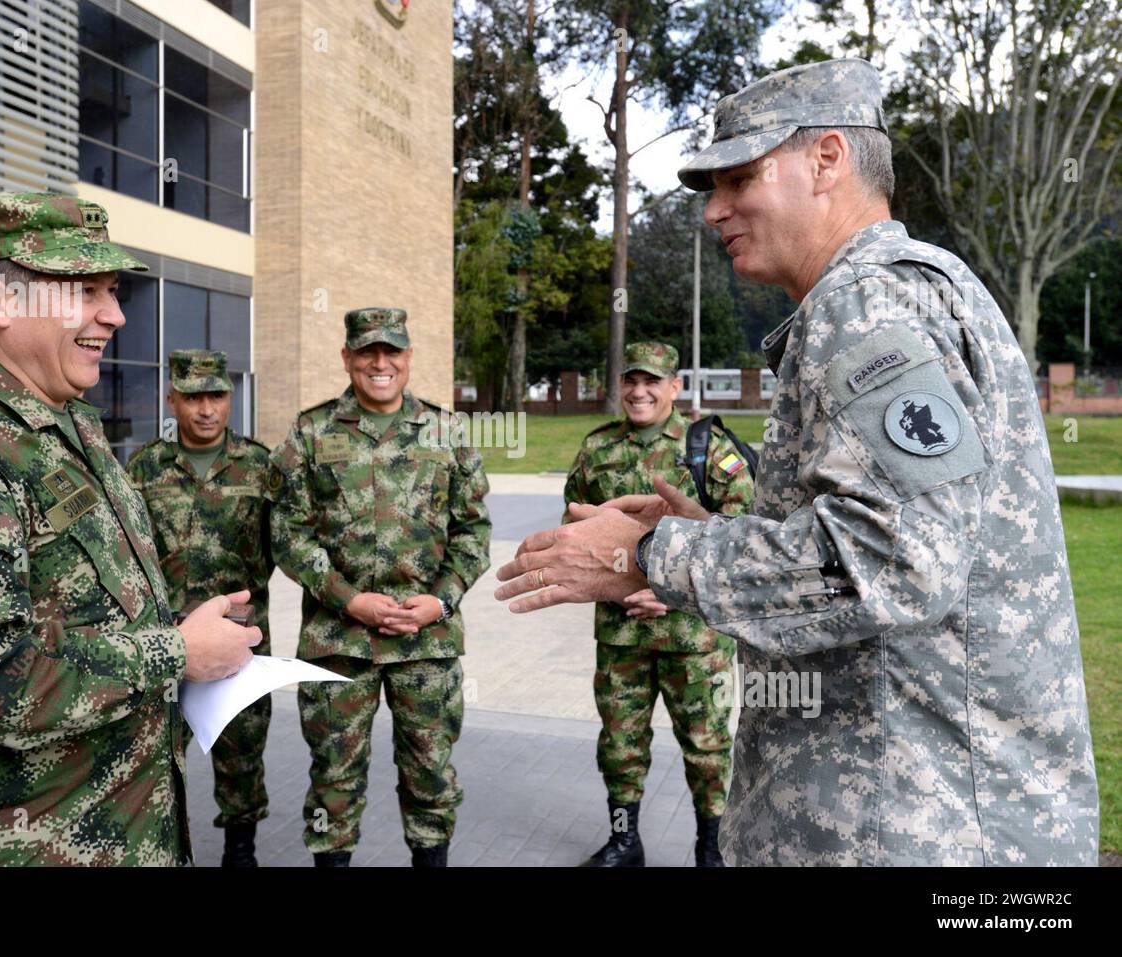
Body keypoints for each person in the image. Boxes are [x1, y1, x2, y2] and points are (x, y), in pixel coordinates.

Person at [492, 59, 1099, 866]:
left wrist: (643, 554)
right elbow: (895, 537)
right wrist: (711, 534)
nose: (714, 210)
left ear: (827, 159)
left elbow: (894, 561)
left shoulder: (867, 302)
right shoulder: (904, 292)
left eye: (739, 177)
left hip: (911, 830)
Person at [0, 191, 261, 865]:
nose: (114, 314)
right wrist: (174, 653)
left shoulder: (68, 424)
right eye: (83, 289)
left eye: (113, 289)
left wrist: (182, 637)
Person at [270, 307, 491, 867]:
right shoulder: (310, 432)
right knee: (333, 780)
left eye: (392, 351)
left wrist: (440, 600)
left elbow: (473, 530)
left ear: (409, 357)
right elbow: (288, 533)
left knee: (432, 775)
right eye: (367, 352)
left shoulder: (448, 431)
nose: (380, 362)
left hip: (427, 641)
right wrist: (352, 601)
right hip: (338, 642)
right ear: (347, 358)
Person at [564, 341, 754, 867]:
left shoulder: (709, 448)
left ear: (675, 387)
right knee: (620, 745)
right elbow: (575, 532)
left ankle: (711, 848)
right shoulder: (596, 448)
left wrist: (670, 591)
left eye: (652, 382)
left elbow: (741, 535)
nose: (639, 391)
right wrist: (619, 582)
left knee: (707, 748)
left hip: (692, 638)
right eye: (631, 380)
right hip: (621, 634)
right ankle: (625, 842)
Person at [127, 349, 277, 868]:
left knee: (242, 755)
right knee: (158, 759)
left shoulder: (260, 466)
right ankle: (163, 851)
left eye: (216, 395)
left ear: (230, 397)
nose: (206, 408)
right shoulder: (144, 466)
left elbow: (285, 545)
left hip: (240, 641)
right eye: (193, 397)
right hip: (164, 641)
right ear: (173, 399)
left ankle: (241, 854)